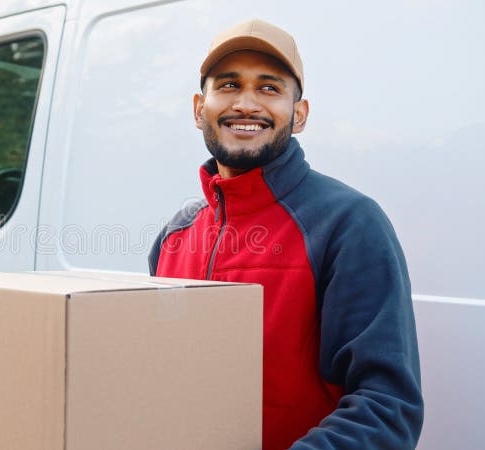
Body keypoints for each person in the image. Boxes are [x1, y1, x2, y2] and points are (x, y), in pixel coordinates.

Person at [148, 19, 423, 450]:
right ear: (200, 107)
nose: (246, 103)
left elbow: (388, 409)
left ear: (299, 114)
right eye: (229, 85)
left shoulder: (350, 223)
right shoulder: (173, 235)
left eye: (269, 88)